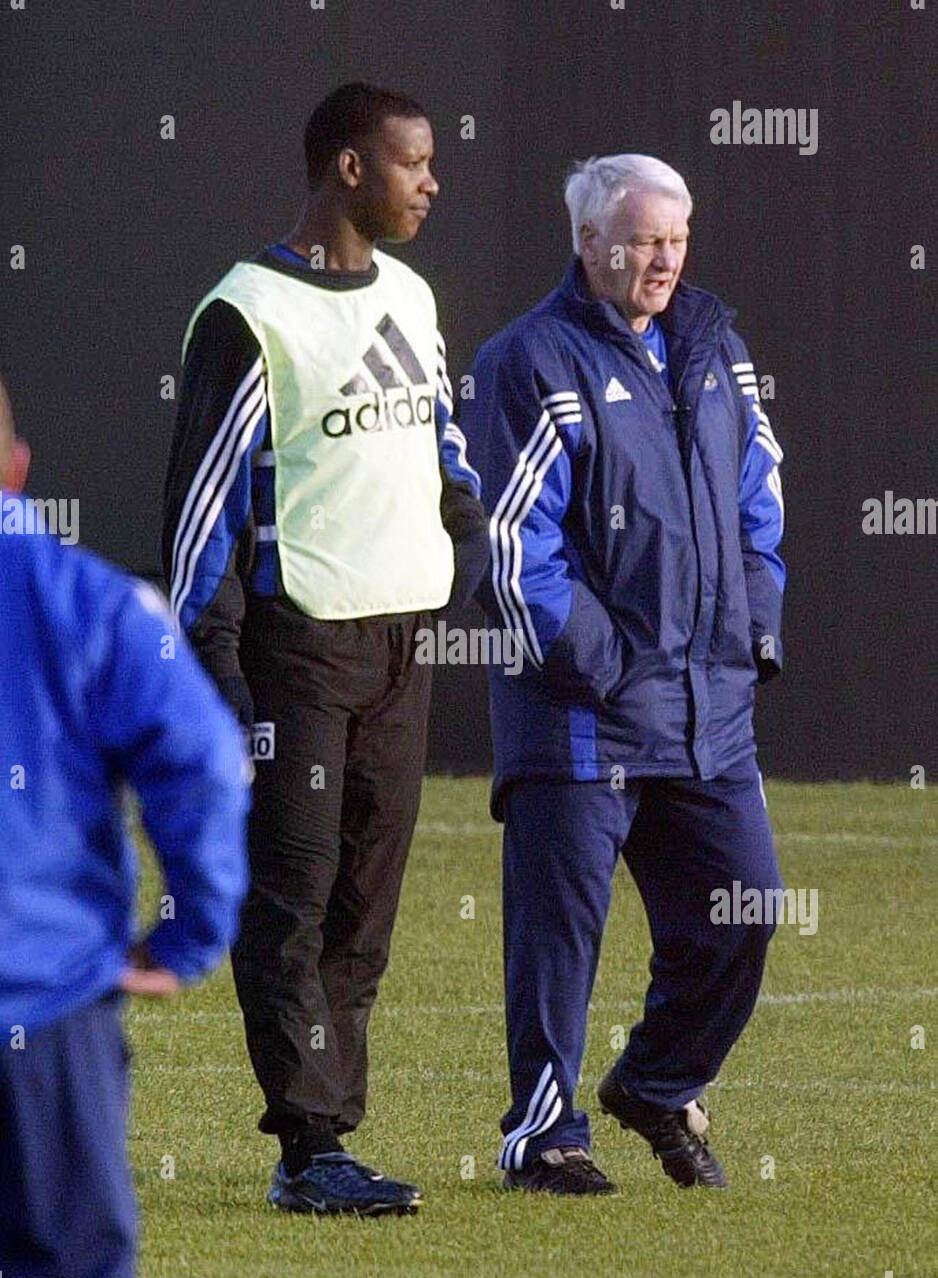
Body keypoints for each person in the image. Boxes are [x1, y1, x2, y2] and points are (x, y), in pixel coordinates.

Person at [162, 83, 487, 1217]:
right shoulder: (246, 313)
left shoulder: (409, 290)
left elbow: (443, 435)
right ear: (350, 169)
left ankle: (332, 1135)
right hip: (297, 652)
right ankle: (308, 1144)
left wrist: (464, 528)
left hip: (403, 647)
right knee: (293, 899)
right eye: (412, 163)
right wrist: (216, 672)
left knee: (364, 905)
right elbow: (202, 517)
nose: (431, 183)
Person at [459, 154, 786, 1195]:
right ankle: (543, 1136)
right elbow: (509, 547)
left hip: (707, 712)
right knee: (559, 939)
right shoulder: (527, 361)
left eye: (677, 237)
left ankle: (655, 1084)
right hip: (581, 716)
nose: (663, 258)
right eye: (643, 239)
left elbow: (760, 505)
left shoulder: (714, 349)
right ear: (588, 242)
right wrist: (602, 661)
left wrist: (748, 632)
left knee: (746, 907)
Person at [0, 377, 249, 1278]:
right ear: (19, 469)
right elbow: (208, 762)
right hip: (46, 1010)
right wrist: (189, 936)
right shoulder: (90, 601)